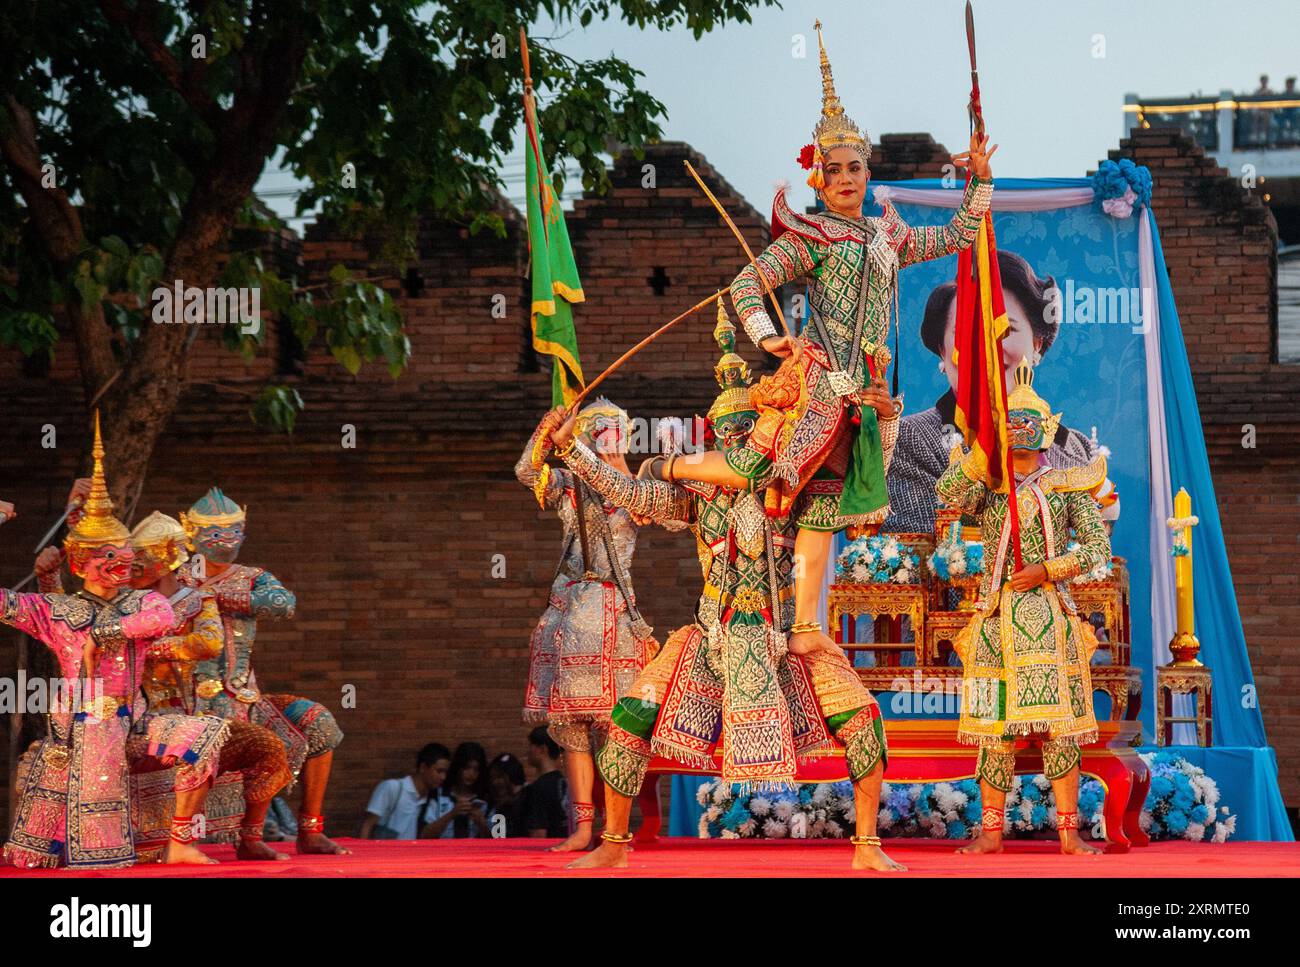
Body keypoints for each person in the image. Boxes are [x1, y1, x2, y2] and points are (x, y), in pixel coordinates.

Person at [643, 21, 995, 661]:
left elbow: (959, 236)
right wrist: (772, 339)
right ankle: (666, 466)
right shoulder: (813, 237)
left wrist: (978, 183)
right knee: (768, 466)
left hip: (870, 395)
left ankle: (805, 626)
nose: (845, 178)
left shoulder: (889, 235)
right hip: (822, 381)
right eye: (832, 170)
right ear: (817, 179)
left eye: (855, 167)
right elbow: (749, 284)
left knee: (826, 510)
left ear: (868, 170)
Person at [543, 307, 904, 872]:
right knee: (628, 721)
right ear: (717, 440)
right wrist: (573, 452)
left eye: (747, 434)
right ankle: (614, 844)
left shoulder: (800, 492)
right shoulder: (695, 498)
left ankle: (867, 846)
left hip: (787, 640)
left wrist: (879, 420)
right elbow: (629, 494)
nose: (740, 443)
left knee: (863, 723)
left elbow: (862, 471)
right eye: (730, 435)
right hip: (710, 639)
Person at [2, 417, 227, 868]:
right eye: (109, 555)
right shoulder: (55, 611)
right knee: (95, 746)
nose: (122, 561)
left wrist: (104, 633)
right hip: (86, 724)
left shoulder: (139, 602)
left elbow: (161, 616)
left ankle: (180, 841)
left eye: (124, 553)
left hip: (136, 723)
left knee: (208, 733)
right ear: (83, 562)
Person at [936, 361, 1109, 857]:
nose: (1018, 431)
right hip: (995, 618)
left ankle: (1068, 833)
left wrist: (1048, 570)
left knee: (1061, 729)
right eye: (1008, 423)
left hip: (1051, 619)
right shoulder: (989, 486)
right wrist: (979, 449)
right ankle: (991, 832)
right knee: (994, 728)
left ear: (1047, 429)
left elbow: (1095, 550)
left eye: (1025, 424)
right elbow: (947, 497)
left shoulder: (1068, 484)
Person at [516, 398, 657, 851]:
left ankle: (618, 827)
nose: (612, 444)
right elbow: (525, 472)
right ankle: (581, 827)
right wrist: (547, 427)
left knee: (616, 725)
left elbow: (643, 511)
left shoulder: (634, 486)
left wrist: (615, 467)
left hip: (612, 612)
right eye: (603, 436)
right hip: (569, 606)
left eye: (617, 436)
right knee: (574, 725)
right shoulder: (570, 483)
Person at [177, 487, 349, 855]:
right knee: (263, 743)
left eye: (236, 532)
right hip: (188, 700)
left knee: (320, 723)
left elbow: (284, 604)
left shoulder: (251, 578)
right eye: (217, 534)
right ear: (191, 533)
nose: (228, 541)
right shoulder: (175, 578)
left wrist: (222, 597)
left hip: (244, 696)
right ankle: (250, 838)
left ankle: (310, 830)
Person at [884, 249, 1104, 535]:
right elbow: (925, 546)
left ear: (1037, 344)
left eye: (1005, 329)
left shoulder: (1076, 447)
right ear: (942, 349)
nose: (987, 348)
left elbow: (1094, 546)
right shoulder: (909, 441)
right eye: (969, 329)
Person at [360, 742, 452, 840]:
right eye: (439, 771)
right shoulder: (392, 787)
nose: (443, 777)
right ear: (423, 767)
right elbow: (368, 825)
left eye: (445, 772)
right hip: (384, 852)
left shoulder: (432, 799)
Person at [436, 741, 491, 839]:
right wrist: (452, 814)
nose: (471, 773)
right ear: (458, 767)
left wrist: (482, 824)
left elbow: (495, 842)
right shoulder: (439, 794)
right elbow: (424, 835)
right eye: (467, 768)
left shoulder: (484, 800)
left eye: (476, 769)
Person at [522, 726, 568, 839]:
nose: (527, 751)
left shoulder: (538, 788)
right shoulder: (566, 783)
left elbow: (538, 833)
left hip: (548, 850)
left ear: (542, 749)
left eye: (530, 745)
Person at [485, 753, 527, 838]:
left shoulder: (528, 798)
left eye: (499, 777)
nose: (495, 782)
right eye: (492, 778)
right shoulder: (493, 803)